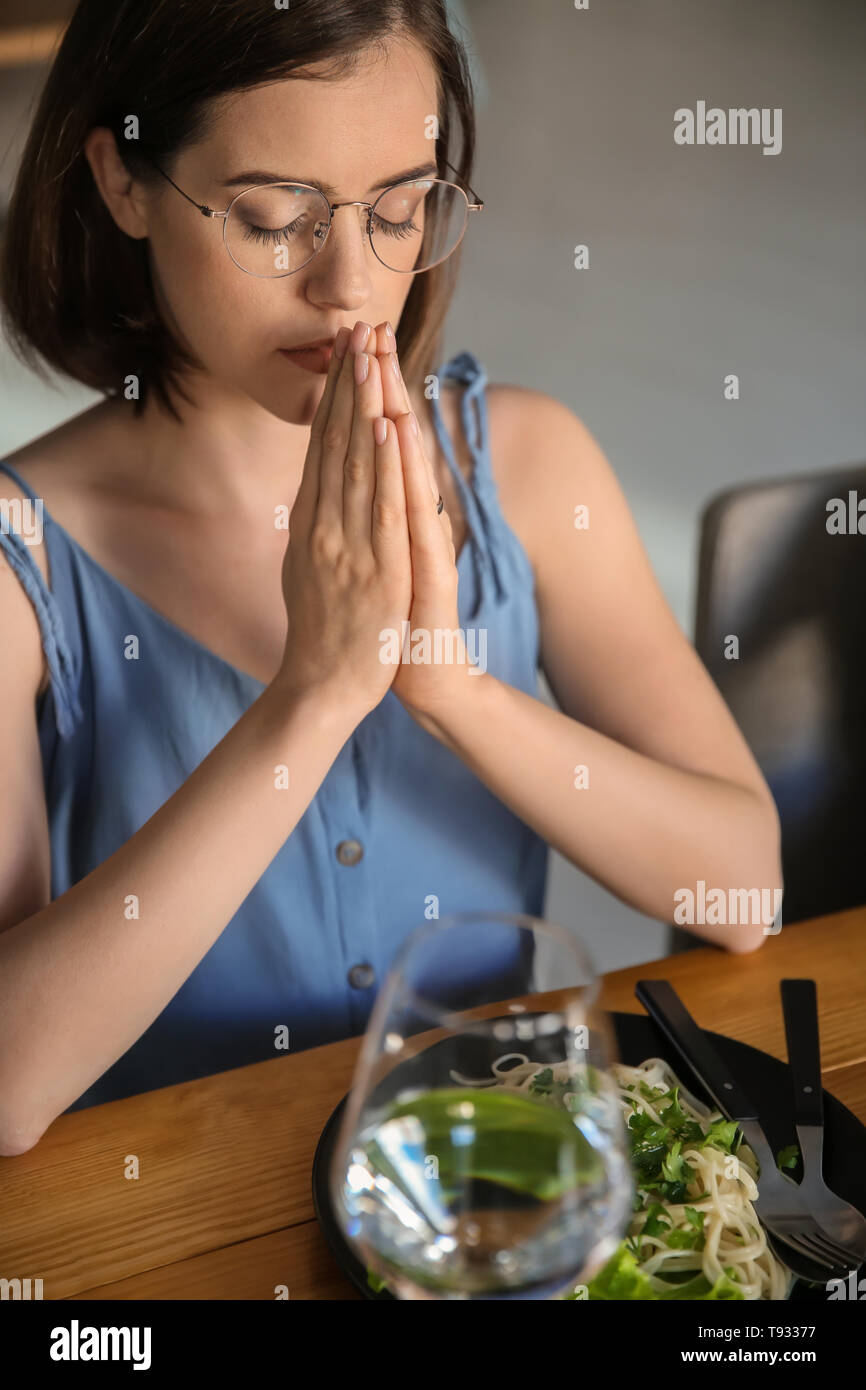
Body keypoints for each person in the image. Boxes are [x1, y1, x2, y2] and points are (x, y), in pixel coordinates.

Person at [0, 0, 782, 1153]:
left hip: (488, 1195)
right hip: (170, 1219)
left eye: (401, 207)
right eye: (274, 217)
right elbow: (10, 1085)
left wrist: (448, 685)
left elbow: (742, 891)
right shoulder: (27, 556)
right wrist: (312, 695)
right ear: (122, 183)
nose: (351, 286)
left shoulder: (522, 460)